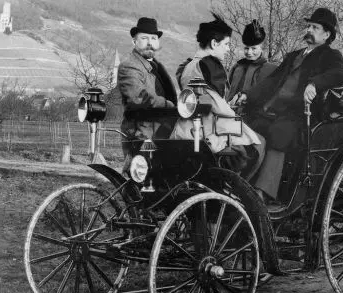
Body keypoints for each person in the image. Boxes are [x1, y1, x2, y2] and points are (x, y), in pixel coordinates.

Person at [245, 7, 343, 200]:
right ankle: (244, 185)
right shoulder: (293, 55)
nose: (309, 30)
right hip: (273, 110)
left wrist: (315, 84)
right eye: (308, 26)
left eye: (315, 27)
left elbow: (339, 74)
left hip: (300, 114)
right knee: (250, 129)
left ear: (326, 34)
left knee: (278, 134)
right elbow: (271, 81)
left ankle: (263, 192)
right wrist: (247, 95)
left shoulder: (331, 56)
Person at [173, 14, 265, 180]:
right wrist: (233, 111)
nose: (228, 49)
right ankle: (239, 192)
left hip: (185, 129)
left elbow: (201, 97)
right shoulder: (209, 64)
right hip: (208, 130)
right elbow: (217, 105)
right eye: (226, 44)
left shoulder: (187, 65)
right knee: (258, 144)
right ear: (214, 43)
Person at [117, 17, 177, 155]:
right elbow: (139, 97)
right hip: (141, 133)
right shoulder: (129, 66)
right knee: (139, 173)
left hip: (160, 131)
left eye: (154, 38)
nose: (150, 43)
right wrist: (169, 105)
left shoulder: (156, 66)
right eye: (144, 38)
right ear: (134, 41)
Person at [227, 20, 277, 105]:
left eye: (254, 48)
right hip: (231, 112)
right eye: (246, 48)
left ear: (262, 48)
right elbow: (228, 89)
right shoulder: (237, 67)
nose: (249, 52)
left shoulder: (271, 69)